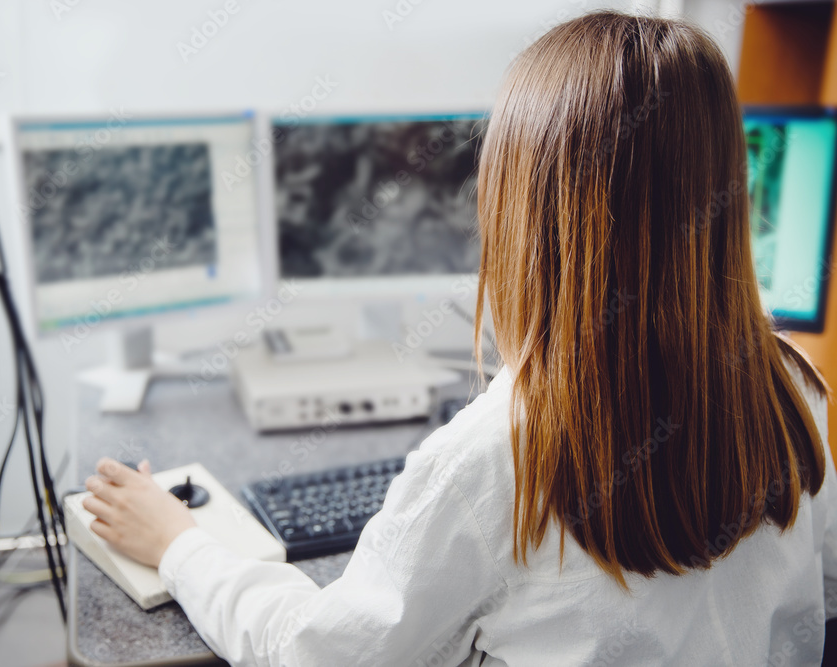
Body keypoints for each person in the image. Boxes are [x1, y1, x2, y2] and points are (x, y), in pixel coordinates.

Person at [81, 11, 835, 665]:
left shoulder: (498, 457)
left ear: (523, 213)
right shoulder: (795, 395)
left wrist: (180, 544)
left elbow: (319, 652)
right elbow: (824, 590)